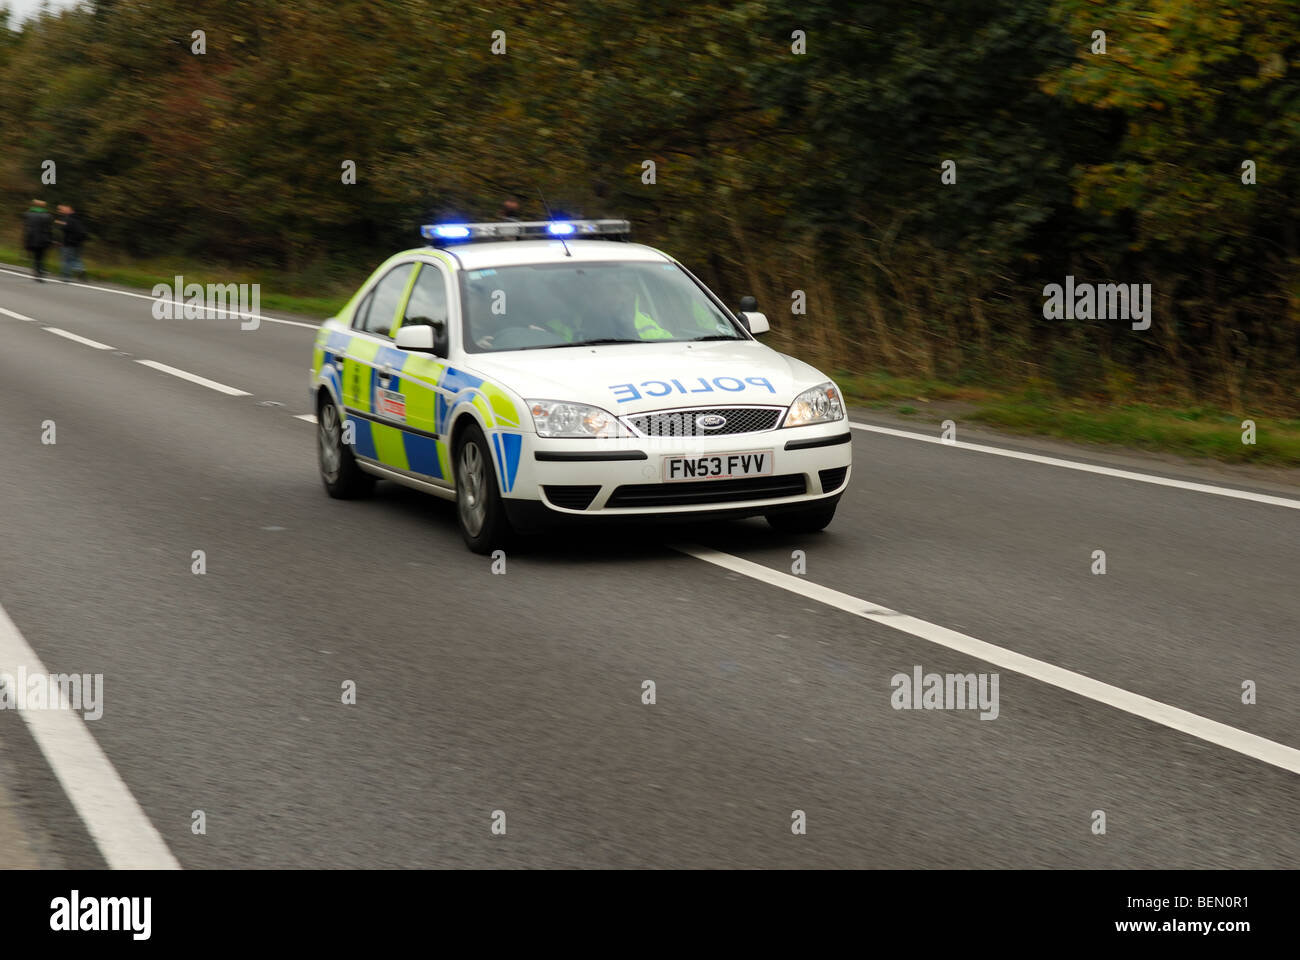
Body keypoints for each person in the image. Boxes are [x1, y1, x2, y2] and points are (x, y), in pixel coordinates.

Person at [22, 200, 54, 282]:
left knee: (35, 256)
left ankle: (37, 272)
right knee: (41, 257)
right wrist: (51, 240)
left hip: (31, 238)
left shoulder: (28, 214)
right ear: (44, 206)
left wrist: (25, 240)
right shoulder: (48, 216)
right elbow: (50, 229)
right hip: (44, 239)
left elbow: (26, 228)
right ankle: (40, 272)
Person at [55, 204, 87, 280]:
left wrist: (60, 224)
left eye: (62, 209)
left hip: (68, 242)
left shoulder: (67, 219)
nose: (60, 211)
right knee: (75, 258)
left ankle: (66, 276)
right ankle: (81, 271)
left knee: (66, 259)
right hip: (77, 243)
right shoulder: (77, 218)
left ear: (69, 209)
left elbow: (64, 230)